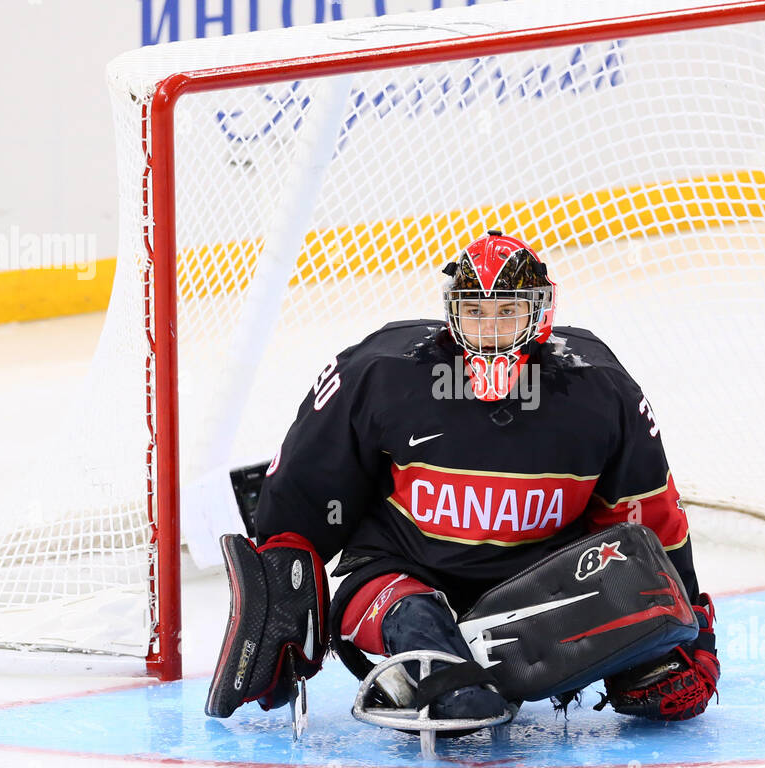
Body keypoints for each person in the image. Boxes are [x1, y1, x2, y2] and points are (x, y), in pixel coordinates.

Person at [205, 230, 719, 731]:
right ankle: (435, 659)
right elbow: (306, 491)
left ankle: (464, 665)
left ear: (540, 311)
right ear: (452, 311)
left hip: (542, 590)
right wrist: (283, 588)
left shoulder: (599, 385)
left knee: (654, 660)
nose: (490, 329)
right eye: (475, 311)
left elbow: (649, 519)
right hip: (400, 574)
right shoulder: (381, 370)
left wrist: (691, 626)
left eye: (507, 311)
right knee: (452, 689)